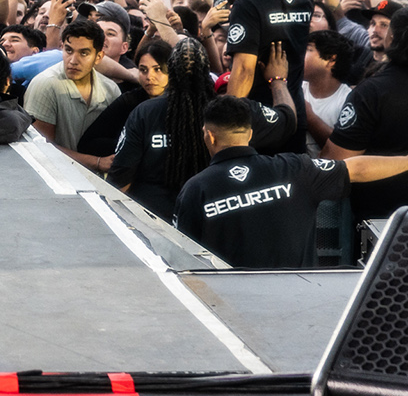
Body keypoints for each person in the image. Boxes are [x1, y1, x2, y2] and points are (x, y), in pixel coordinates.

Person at [175, 95, 408, 268]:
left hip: (231, 309)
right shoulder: (295, 168)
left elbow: (182, 256)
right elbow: (356, 168)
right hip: (299, 301)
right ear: (249, 133)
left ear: (209, 134)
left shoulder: (195, 190)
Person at [110, 39, 297, 221]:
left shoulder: (144, 113)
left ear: (171, 73)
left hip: (155, 223)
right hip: (215, 221)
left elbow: (119, 183)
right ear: (207, 72)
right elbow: (287, 120)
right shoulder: (233, 111)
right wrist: (278, 80)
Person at [224, 0, 312, 153]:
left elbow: (243, 70)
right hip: (294, 111)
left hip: (260, 118)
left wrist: (229, 125)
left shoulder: (248, 5)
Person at [322, 6, 408, 219]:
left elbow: (336, 161)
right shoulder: (372, 89)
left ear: (392, 37)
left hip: (380, 223)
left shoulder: (372, 91)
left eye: (385, 26)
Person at [23, 18, 119, 172]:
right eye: (68, 50)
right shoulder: (45, 85)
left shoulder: (111, 90)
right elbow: (40, 147)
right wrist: (96, 162)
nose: (73, 61)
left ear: (99, 57)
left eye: (84, 53)